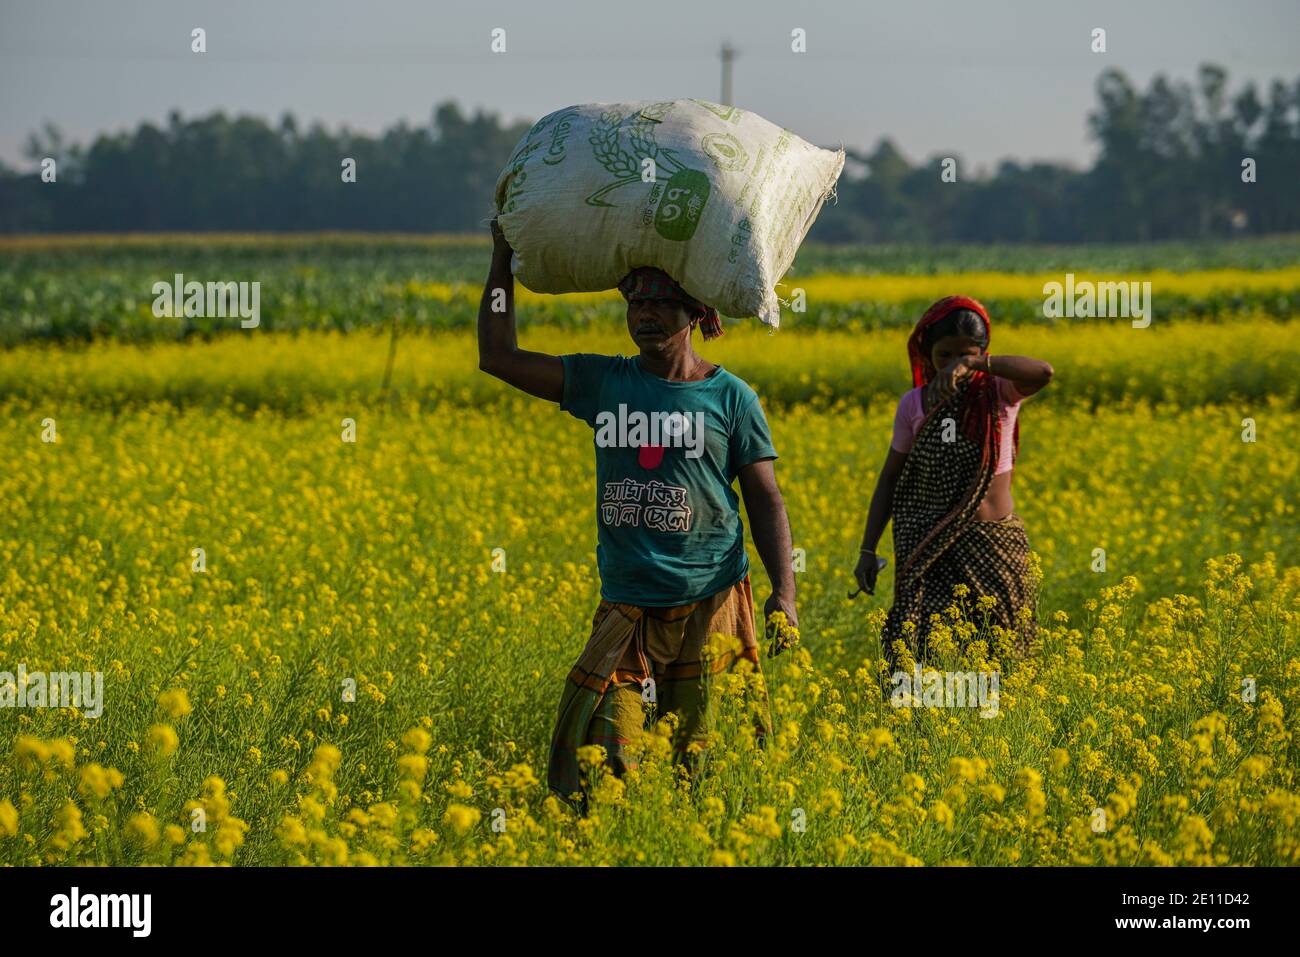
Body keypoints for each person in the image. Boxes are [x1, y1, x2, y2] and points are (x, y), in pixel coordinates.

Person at [477, 220, 797, 809]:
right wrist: (502, 257)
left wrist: (786, 594)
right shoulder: (603, 382)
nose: (645, 316)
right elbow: (498, 357)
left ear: (695, 313)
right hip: (628, 606)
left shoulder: (732, 398)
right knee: (607, 761)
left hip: (713, 600)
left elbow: (765, 498)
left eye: (662, 305)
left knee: (700, 765)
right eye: (636, 304)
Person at [852, 295, 1053, 667]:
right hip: (932, 548)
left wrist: (976, 366)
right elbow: (890, 479)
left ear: (982, 353)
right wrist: (868, 549)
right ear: (927, 352)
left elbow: (1043, 372)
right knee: (920, 650)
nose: (953, 365)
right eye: (945, 356)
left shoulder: (999, 392)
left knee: (1006, 655)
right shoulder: (915, 403)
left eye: (966, 354)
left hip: (993, 545)